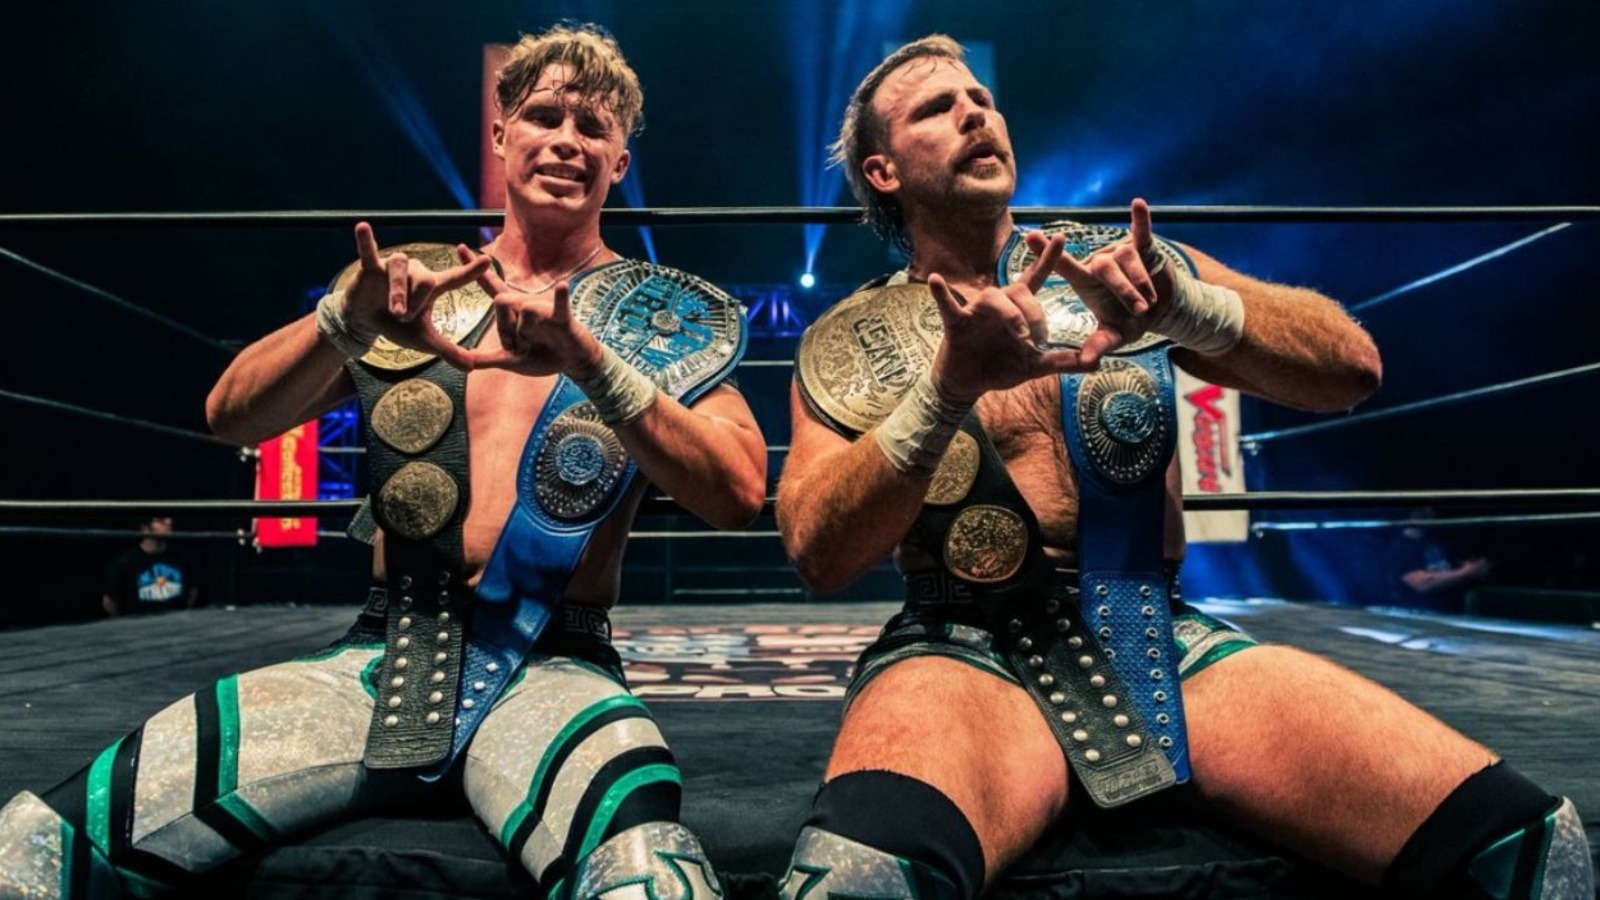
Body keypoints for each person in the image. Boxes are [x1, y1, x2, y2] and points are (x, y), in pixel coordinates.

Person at [774, 35, 1591, 900]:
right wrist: (944, 392)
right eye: (937, 109)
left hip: (1162, 637)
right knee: (858, 882)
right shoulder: (849, 343)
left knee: (1534, 849)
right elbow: (818, 551)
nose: (975, 114)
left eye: (981, 99)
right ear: (883, 171)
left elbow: (1351, 369)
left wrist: (1184, 306)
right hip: (963, 646)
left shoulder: (1120, 270)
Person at [0, 24, 764, 899]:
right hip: (380, 657)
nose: (566, 140)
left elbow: (739, 492)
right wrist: (342, 322)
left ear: (619, 161)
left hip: (556, 665)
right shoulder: (412, 289)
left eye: (592, 128)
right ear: (501, 135)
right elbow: (230, 415)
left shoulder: (662, 322)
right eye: (545, 116)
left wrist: (596, 364)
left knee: (647, 879)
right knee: (35, 849)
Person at [1386, 517, 1492, 612]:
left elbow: (1459, 567)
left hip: (1453, 611)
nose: (1429, 513)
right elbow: (1420, 583)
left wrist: (1475, 568)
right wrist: (1465, 572)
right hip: (1420, 613)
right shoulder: (1399, 548)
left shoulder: (1437, 541)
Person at [101, 517, 199, 617]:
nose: (169, 522)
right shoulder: (127, 562)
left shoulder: (181, 556)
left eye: (168, 518)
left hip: (176, 623)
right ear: (145, 528)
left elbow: (192, 590)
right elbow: (109, 602)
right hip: (142, 625)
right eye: (160, 519)